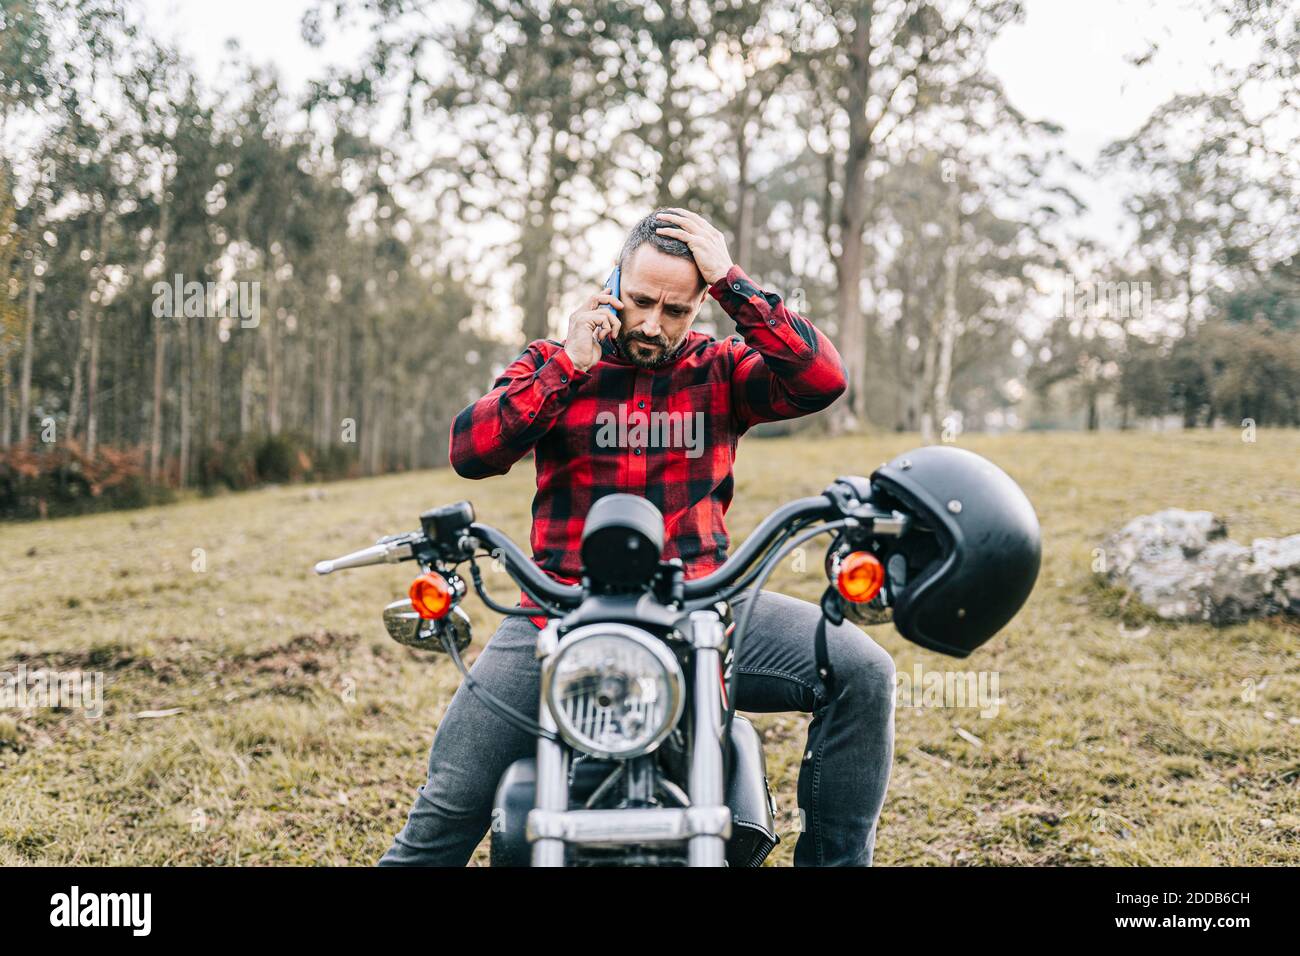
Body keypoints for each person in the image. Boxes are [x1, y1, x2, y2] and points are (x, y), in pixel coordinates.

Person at [380, 208, 896, 866]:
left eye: (676, 309)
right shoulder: (553, 362)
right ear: (613, 282)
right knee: (449, 804)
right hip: (558, 611)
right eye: (642, 300)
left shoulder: (723, 369)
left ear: (701, 305)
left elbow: (823, 380)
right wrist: (568, 363)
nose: (654, 323)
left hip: (705, 607)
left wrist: (734, 281)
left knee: (864, 671)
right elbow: (472, 449)